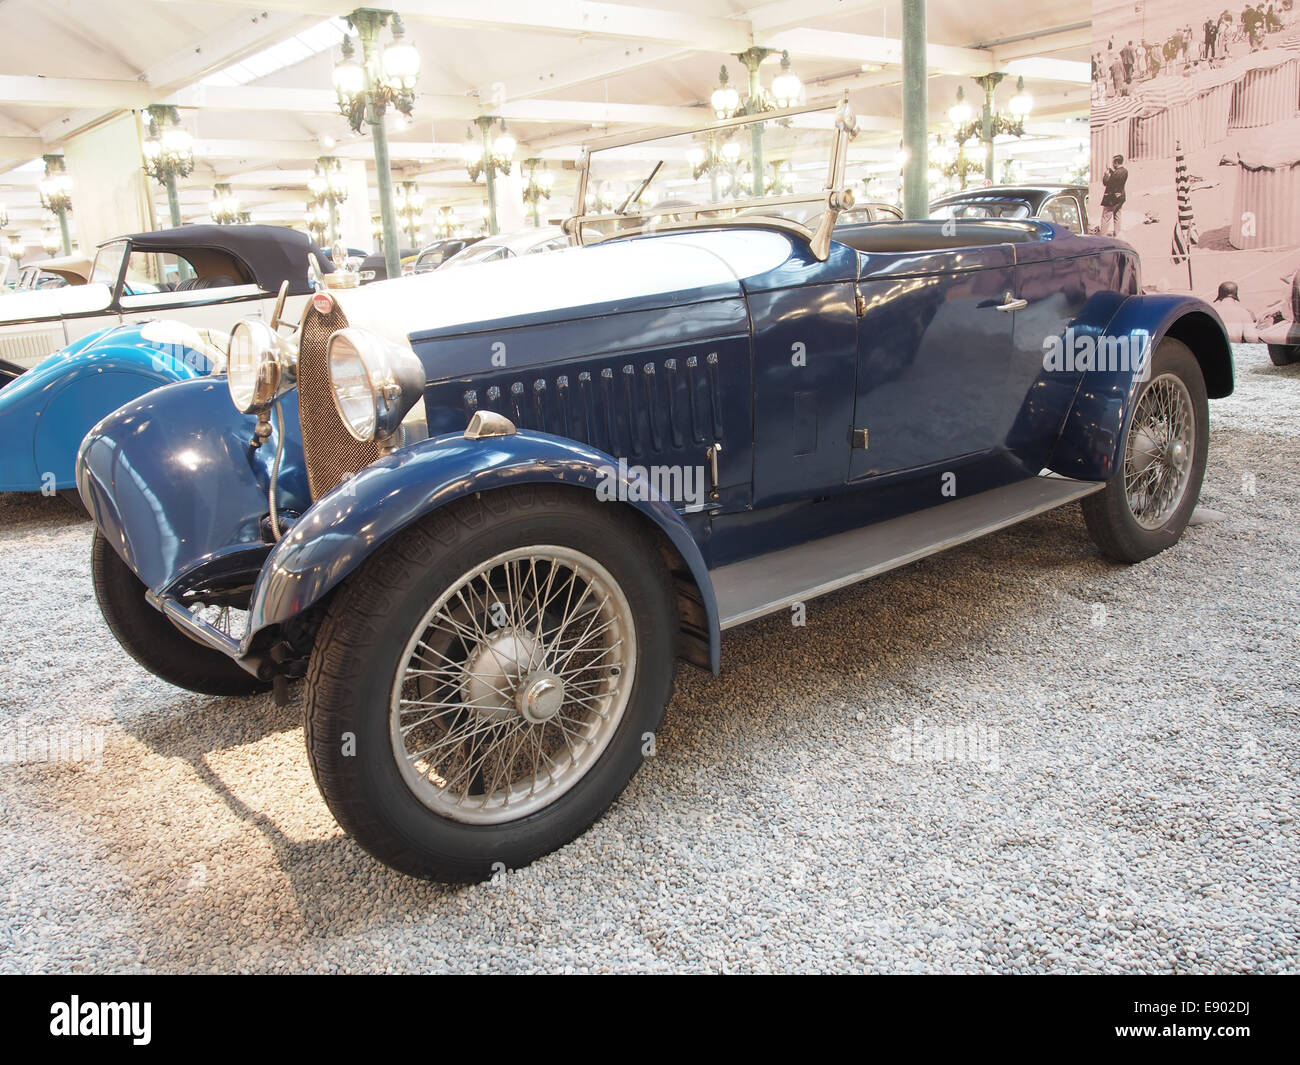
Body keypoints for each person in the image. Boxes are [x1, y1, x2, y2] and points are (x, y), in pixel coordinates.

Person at [1101, 155, 1129, 236]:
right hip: (1120, 198)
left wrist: (1106, 174)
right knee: (1117, 216)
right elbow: (1116, 178)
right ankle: (1117, 234)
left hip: (1111, 199)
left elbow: (1107, 183)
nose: (1113, 164)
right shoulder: (1125, 171)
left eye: (1113, 162)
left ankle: (1103, 237)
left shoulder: (1115, 174)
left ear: (1116, 163)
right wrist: (1111, 171)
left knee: (1105, 218)